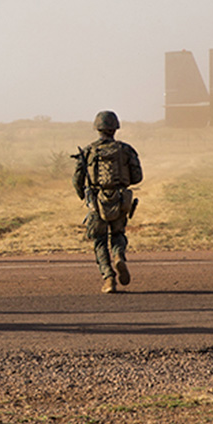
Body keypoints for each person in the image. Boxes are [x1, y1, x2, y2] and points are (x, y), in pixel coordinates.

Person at [73, 110, 143, 294]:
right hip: (120, 200)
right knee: (118, 234)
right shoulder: (126, 149)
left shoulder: (88, 151)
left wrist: (84, 197)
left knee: (99, 241)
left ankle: (109, 278)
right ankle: (119, 256)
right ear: (115, 128)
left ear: (97, 128)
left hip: (97, 202)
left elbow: (77, 180)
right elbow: (137, 177)